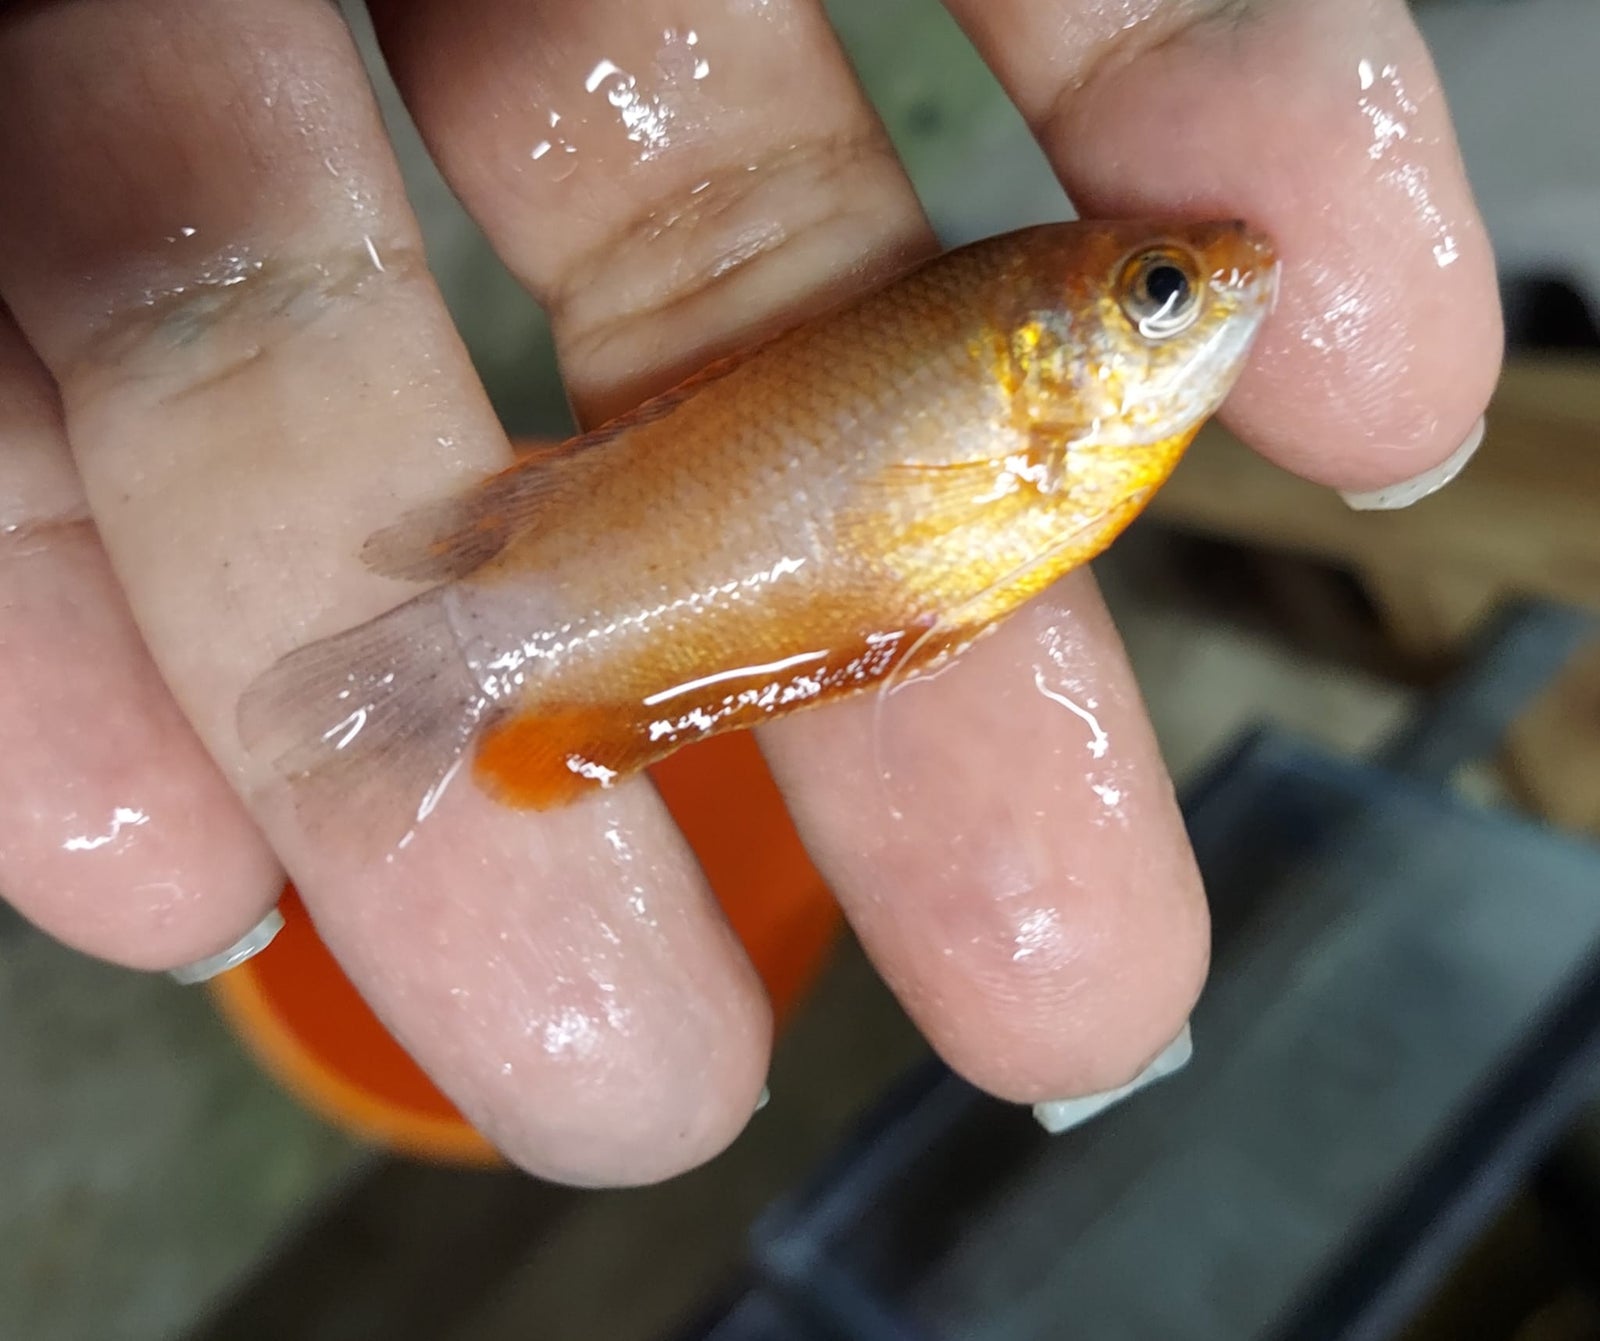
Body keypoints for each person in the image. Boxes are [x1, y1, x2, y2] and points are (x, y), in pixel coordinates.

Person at [0, 0, 1501, 1187]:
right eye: (1159, 290)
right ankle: (477, 659)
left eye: (1160, 285)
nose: (1227, 280)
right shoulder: (1058, 438)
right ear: (1054, 363)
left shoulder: (1072, 435)